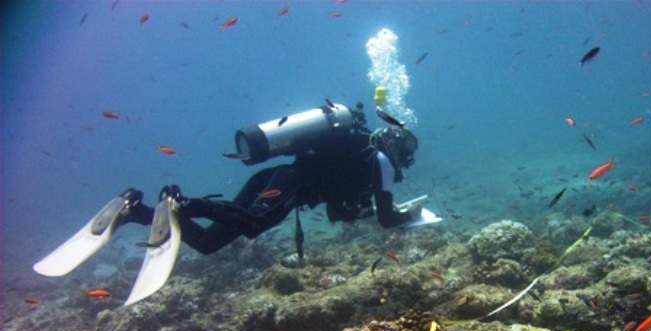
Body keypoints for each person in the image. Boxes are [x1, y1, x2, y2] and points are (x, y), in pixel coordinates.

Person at [33, 101, 438, 304]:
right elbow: (387, 219)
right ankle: (179, 202)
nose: (405, 164)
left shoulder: (362, 154)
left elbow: (338, 205)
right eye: (407, 155)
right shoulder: (380, 160)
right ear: (397, 145)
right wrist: (409, 214)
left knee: (209, 245)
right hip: (287, 184)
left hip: (276, 179)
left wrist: (359, 208)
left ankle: (134, 209)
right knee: (251, 223)